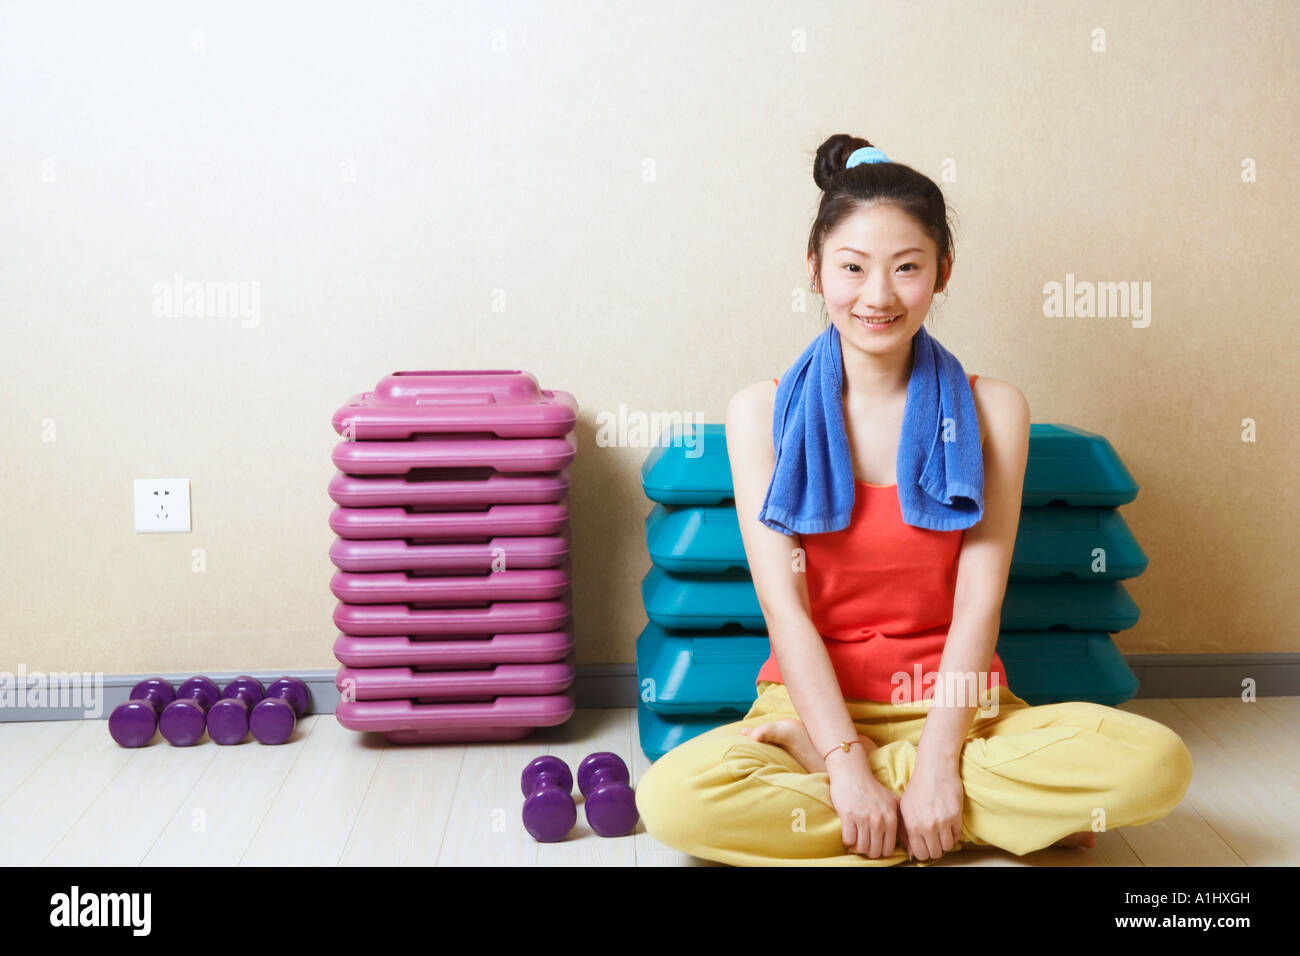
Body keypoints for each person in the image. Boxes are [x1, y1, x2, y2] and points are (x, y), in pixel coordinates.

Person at [633, 133, 1194, 866]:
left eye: (906, 268)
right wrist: (841, 756)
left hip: (964, 717)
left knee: (1158, 763)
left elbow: (978, 608)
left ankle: (904, 805)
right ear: (814, 269)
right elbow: (785, 611)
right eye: (853, 267)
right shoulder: (758, 414)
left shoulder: (992, 409)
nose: (878, 296)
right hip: (809, 709)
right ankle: (962, 812)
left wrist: (933, 762)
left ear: (942, 272)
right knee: (673, 802)